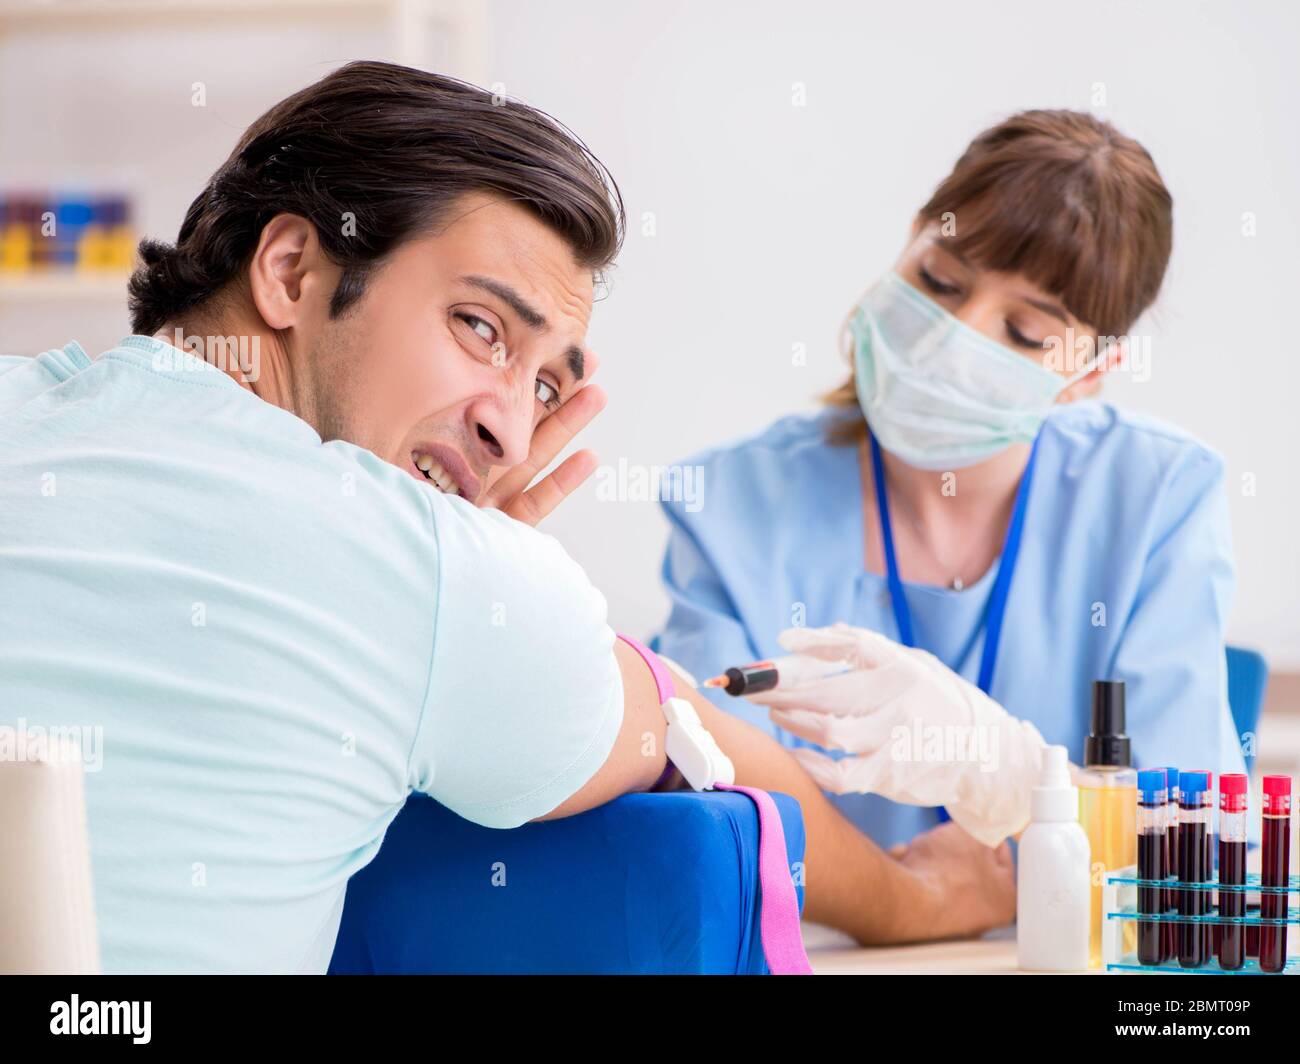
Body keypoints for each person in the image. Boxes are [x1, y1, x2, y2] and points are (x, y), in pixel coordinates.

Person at [0, 62, 1010, 972]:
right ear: (292, 271)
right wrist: (923, 894)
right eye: (480, 327)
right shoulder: (423, 569)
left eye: (540, 388)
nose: (510, 436)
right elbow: (687, 728)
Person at [653, 110, 1244, 851]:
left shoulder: (1156, 497)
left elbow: (1188, 843)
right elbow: (725, 825)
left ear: (1089, 374)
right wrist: (928, 902)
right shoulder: (732, 502)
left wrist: (998, 770)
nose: (955, 338)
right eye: (939, 280)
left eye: (1025, 332)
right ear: (910, 242)